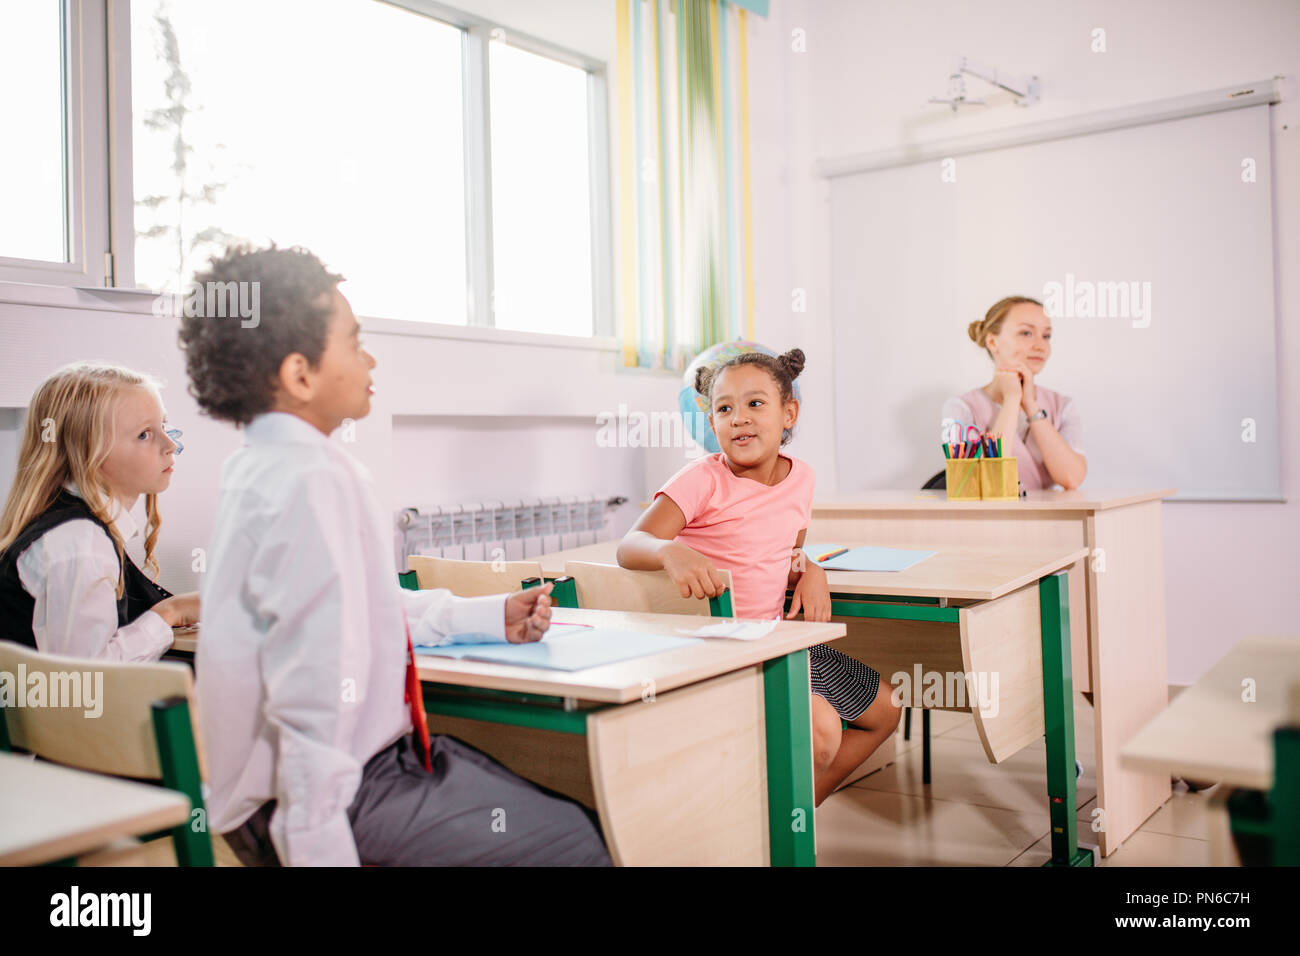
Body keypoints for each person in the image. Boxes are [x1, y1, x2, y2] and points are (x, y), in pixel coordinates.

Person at [179, 243, 610, 866]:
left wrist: (491, 617)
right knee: (582, 842)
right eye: (354, 343)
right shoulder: (313, 479)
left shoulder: (260, 468)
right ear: (301, 375)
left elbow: (360, 614)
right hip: (328, 802)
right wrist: (317, 846)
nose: (370, 357)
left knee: (556, 806)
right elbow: (314, 687)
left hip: (308, 788)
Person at [618, 348, 900, 806]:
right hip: (722, 649)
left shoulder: (801, 478)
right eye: (724, 408)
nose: (739, 418)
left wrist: (809, 568)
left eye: (755, 404)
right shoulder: (701, 480)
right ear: (712, 425)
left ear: (789, 413)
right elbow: (630, 546)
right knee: (823, 731)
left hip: (778, 638)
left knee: (887, 709)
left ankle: (789, 827)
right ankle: (778, 839)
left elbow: (783, 551)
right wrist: (671, 550)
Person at [0, 362, 198, 657]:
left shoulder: (72, 527)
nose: (170, 444)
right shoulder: (80, 543)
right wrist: (171, 612)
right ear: (89, 453)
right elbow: (84, 680)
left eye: (164, 427)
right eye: (145, 434)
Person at [942, 296, 1086, 490]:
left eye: (1046, 336)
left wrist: (1030, 406)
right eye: (1026, 333)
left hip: (1051, 519)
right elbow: (980, 483)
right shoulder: (962, 408)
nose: (1040, 346)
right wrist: (1011, 400)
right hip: (989, 519)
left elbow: (1072, 478)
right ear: (992, 341)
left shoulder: (1062, 405)